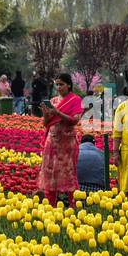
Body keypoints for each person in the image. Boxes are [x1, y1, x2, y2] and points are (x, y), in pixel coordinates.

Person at [37, 72, 84, 205]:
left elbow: (75, 120)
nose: (58, 87)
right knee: (50, 174)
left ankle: (74, 204)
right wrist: (46, 114)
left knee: (69, 173)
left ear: (69, 85)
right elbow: (46, 123)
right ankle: (50, 205)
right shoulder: (53, 101)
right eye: (57, 84)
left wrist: (57, 113)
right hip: (52, 142)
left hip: (67, 143)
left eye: (61, 84)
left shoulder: (75, 100)